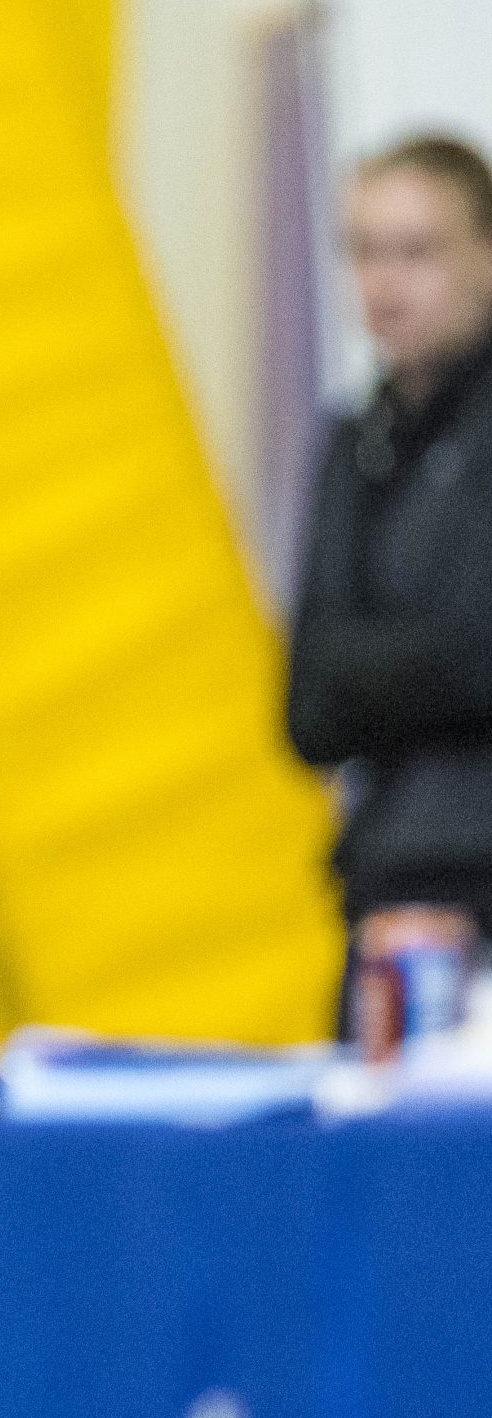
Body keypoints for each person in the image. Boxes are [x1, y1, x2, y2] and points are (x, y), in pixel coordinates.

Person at [287, 134, 492, 1000]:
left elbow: (477, 656)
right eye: (364, 251)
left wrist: (358, 665)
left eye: (417, 251)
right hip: (379, 884)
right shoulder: (353, 440)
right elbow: (306, 710)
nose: (385, 282)